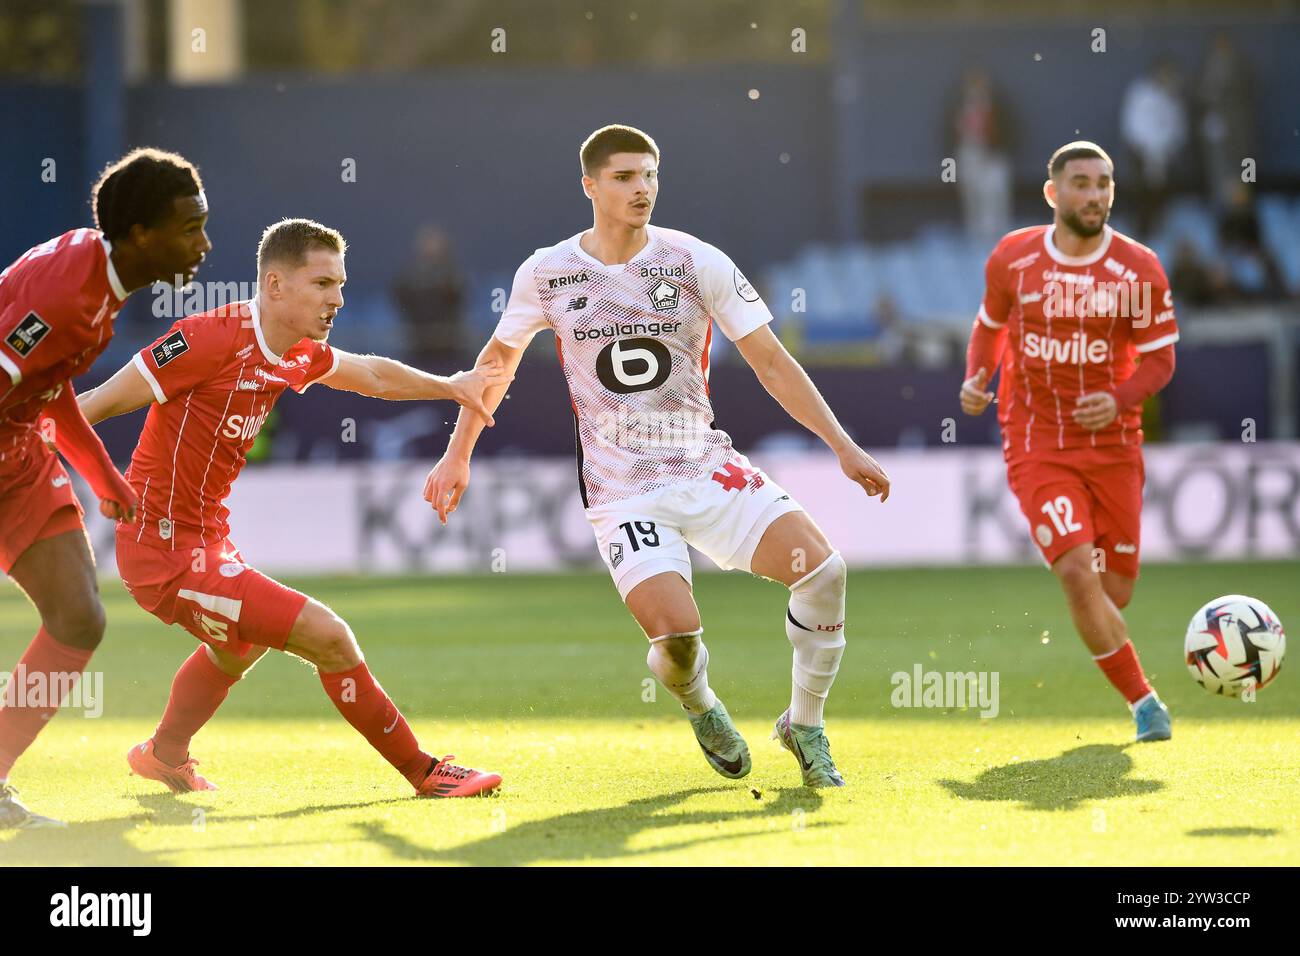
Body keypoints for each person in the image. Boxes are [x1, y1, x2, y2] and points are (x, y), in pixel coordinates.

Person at [423, 125, 891, 788]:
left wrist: (842, 445)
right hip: (622, 490)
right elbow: (495, 367)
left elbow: (771, 362)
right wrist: (457, 454)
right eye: (624, 177)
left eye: (649, 175)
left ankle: (805, 726)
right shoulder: (547, 272)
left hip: (703, 464)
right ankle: (701, 704)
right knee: (676, 642)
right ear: (589, 186)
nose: (641, 188)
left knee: (823, 573)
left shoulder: (696, 261)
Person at [79, 218, 509, 798]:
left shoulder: (296, 352)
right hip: (163, 551)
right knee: (329, 636)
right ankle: (424, 771)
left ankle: (163, 755)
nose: (337, 299)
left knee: (238, 647)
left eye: (340, 285)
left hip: (208, 539)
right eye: (322, 283)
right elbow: (95, 404)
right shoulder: (203, 339)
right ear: (275, 285)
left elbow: (373, 374)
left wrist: (451, 385)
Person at [0, 148, 211, 829]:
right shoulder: (67, 294)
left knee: (79, 619)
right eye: (189, 228)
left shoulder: (98, 276)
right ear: (141, 235)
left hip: (17, 452)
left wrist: (100, 473)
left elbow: (48, 379)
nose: (204, 244)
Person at [960, 141, 1178, 743]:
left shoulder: (1138, 269)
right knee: (1079, 573)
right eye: (1081, 183)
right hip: (1036, 440)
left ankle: (1095, 619)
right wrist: (978, 377)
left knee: (1114, 590)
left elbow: (1161, 361)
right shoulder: (1014, 257)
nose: (1095, 194)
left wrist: (1121, 398)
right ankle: (1145, 703)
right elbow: (989, 327)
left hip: (1114, 445)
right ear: (1053, 193)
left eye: (1104, 183)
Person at [1119, 58, 1188, 238]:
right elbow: (1133, 124)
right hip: (1140, 155)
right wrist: (1145, 149)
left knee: (1161, 196)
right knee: (1141, 195)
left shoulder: (1173, 98)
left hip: (1164, 157)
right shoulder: (1141, 93)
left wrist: (1167, 149)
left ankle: (1159, 232)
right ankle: (1140, 231)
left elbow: (1178, 128)